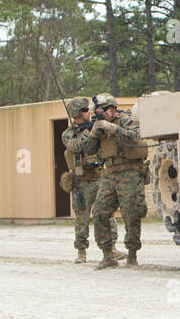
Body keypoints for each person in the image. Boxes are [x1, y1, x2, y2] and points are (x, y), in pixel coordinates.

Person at [89, 93, 149, 269]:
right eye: (101, 111)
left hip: (130, 173)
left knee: (131, 214)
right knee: (99, 213)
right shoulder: (99, 126)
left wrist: (113, 128)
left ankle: (132, 254)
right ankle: (108, 254)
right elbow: (90, 150)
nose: (104, 113)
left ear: (113, 108)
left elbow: (134, 137)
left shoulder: (127, 120)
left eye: (106, 109)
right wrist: (93, 134)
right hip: (109, 174)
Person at [60, 97, 123, 264]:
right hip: (81, 182)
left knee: (107, 214)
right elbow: (76, 146)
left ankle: (112, 249)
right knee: (82, 218)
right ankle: (81, 251)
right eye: (85, 110)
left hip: (99, 177)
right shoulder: (68, 134)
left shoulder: (96, 126)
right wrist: (89, 131)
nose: (89, 112)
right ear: (77, 114)